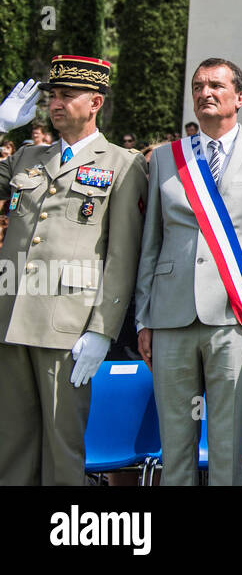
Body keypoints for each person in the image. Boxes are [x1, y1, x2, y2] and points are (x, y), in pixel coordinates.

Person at [135, 57, 242, 486]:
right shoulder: (167, 157)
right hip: (170, 314)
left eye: (217, 86)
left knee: (228, 444)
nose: (206, 93)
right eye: (198, 86)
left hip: (235, 314)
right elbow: (151, 244)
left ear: (239, 97)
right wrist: (143, 317)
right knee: (175, 447)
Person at [0, 59, 147, 485]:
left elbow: (122, 255)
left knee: (62, 447)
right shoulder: (28, 155)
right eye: (52, 97)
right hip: (11, 317)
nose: (55, 104)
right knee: (10, 443)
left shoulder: (122, 163)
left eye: (67, 96)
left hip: (67, 324)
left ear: (95, 102)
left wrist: (102, 329)